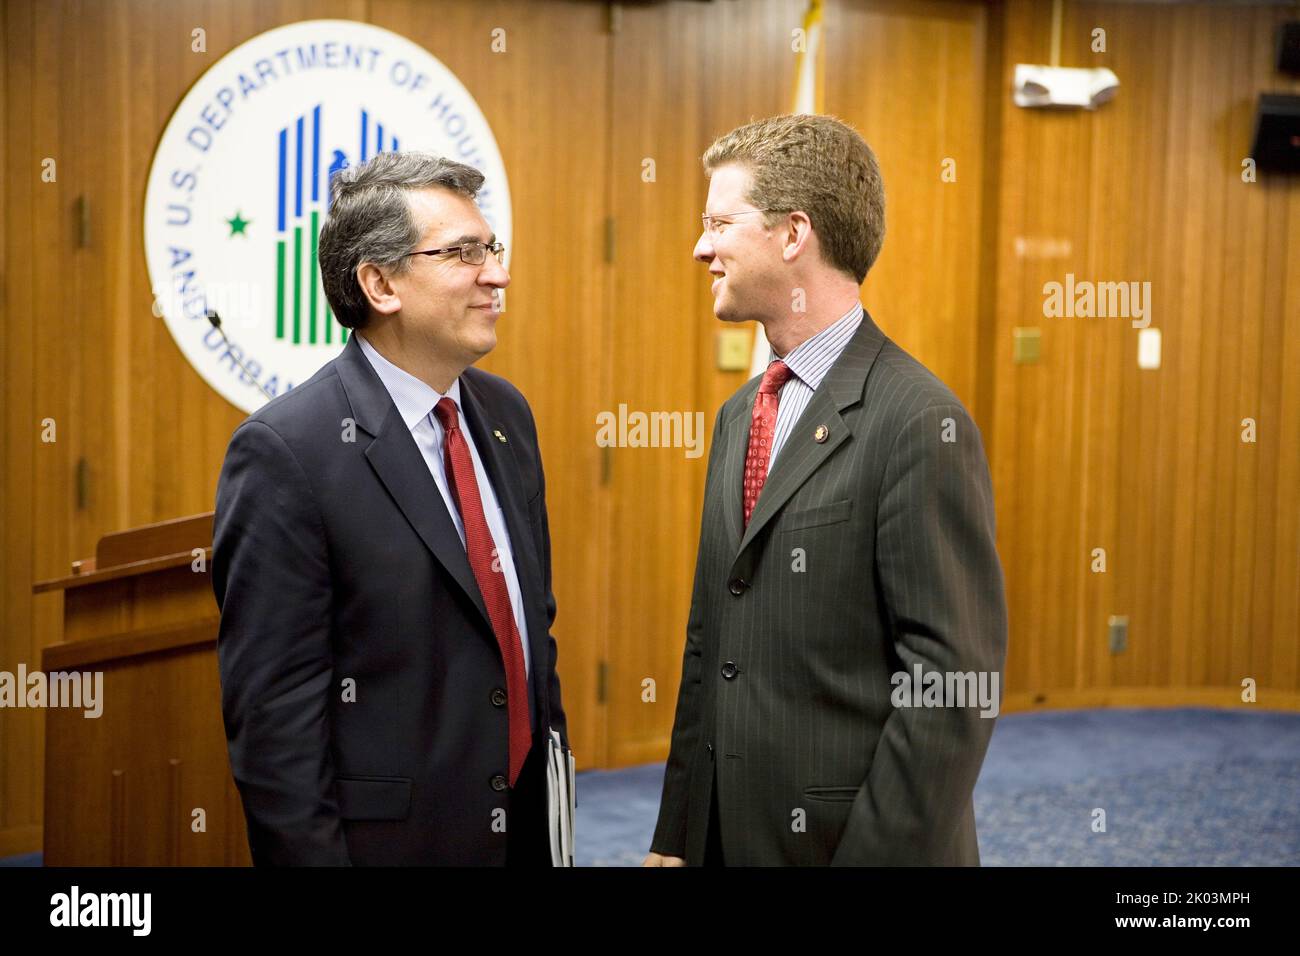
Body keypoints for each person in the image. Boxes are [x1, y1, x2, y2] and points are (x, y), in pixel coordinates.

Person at [644, 115, 1007, 866]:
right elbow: (711, 642)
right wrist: (677, 834)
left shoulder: (920, 422)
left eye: (718, 223)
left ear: (791, 234)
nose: (700, 247)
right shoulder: (739, 414)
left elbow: (952, 684)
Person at [213, 151, 567, 865]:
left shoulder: (505, 414)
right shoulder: (288, 450)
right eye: (463, 253)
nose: (496, 273)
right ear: (379, 284)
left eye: (491, 248)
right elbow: (275, 723)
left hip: (526, 824)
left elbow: (533, 632)